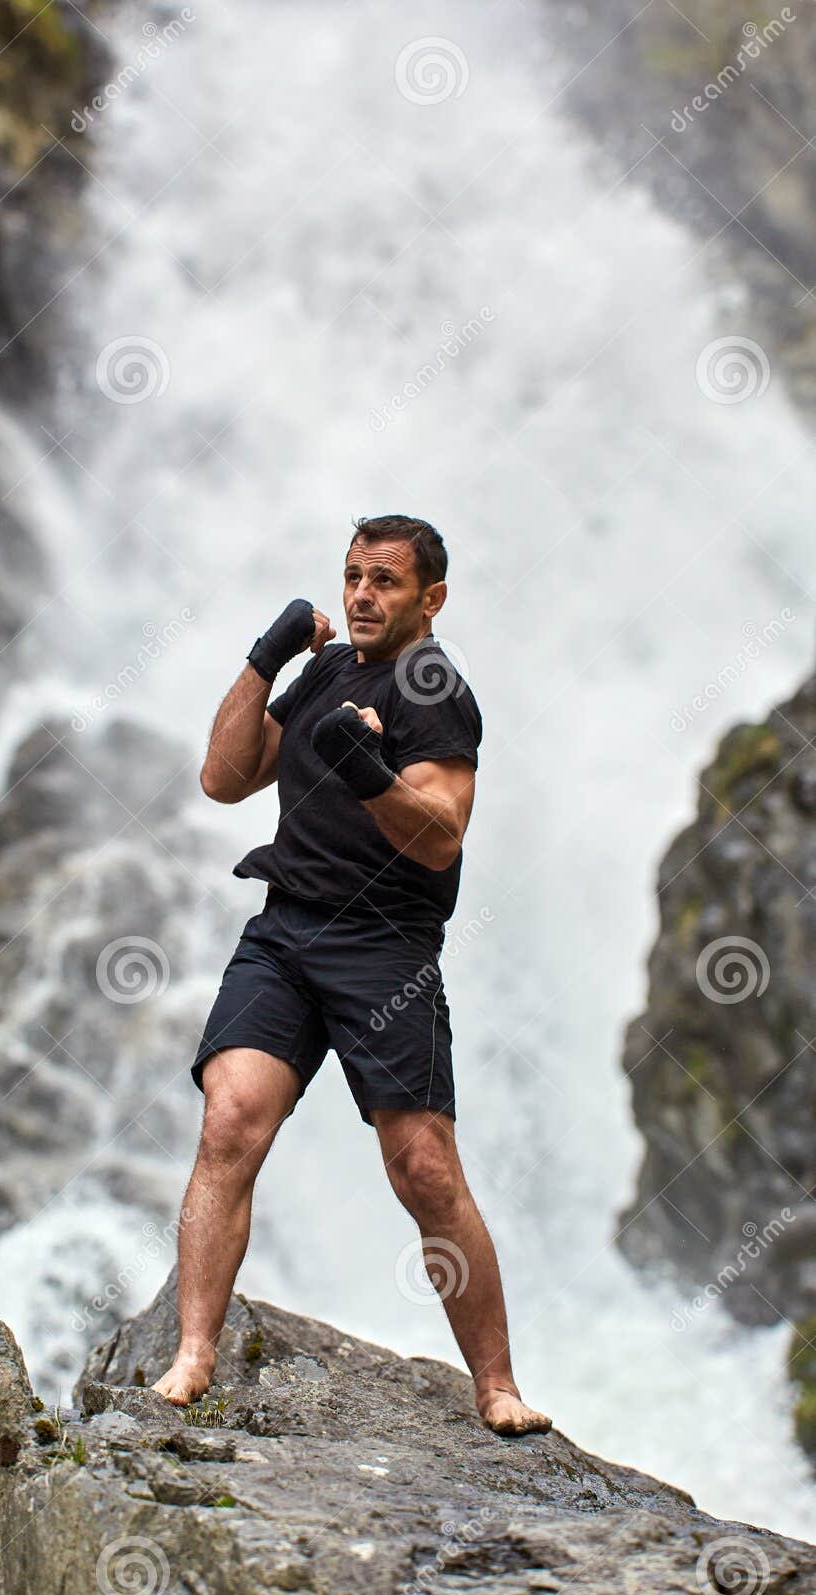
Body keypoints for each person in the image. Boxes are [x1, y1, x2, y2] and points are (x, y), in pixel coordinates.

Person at [151, 513, 550, 1435]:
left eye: (385, 582)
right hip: (286, 933)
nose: (363, 596)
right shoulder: (327, 670)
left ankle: (495, 1386)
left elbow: (441, 833)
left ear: (430, 599)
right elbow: (224, 776)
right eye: (353, 577)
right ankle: (193, 1356)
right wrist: (266, 658)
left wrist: (367, 769)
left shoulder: (435, 688)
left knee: (422, 1168)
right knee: (227, 1124)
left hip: (384, 950)